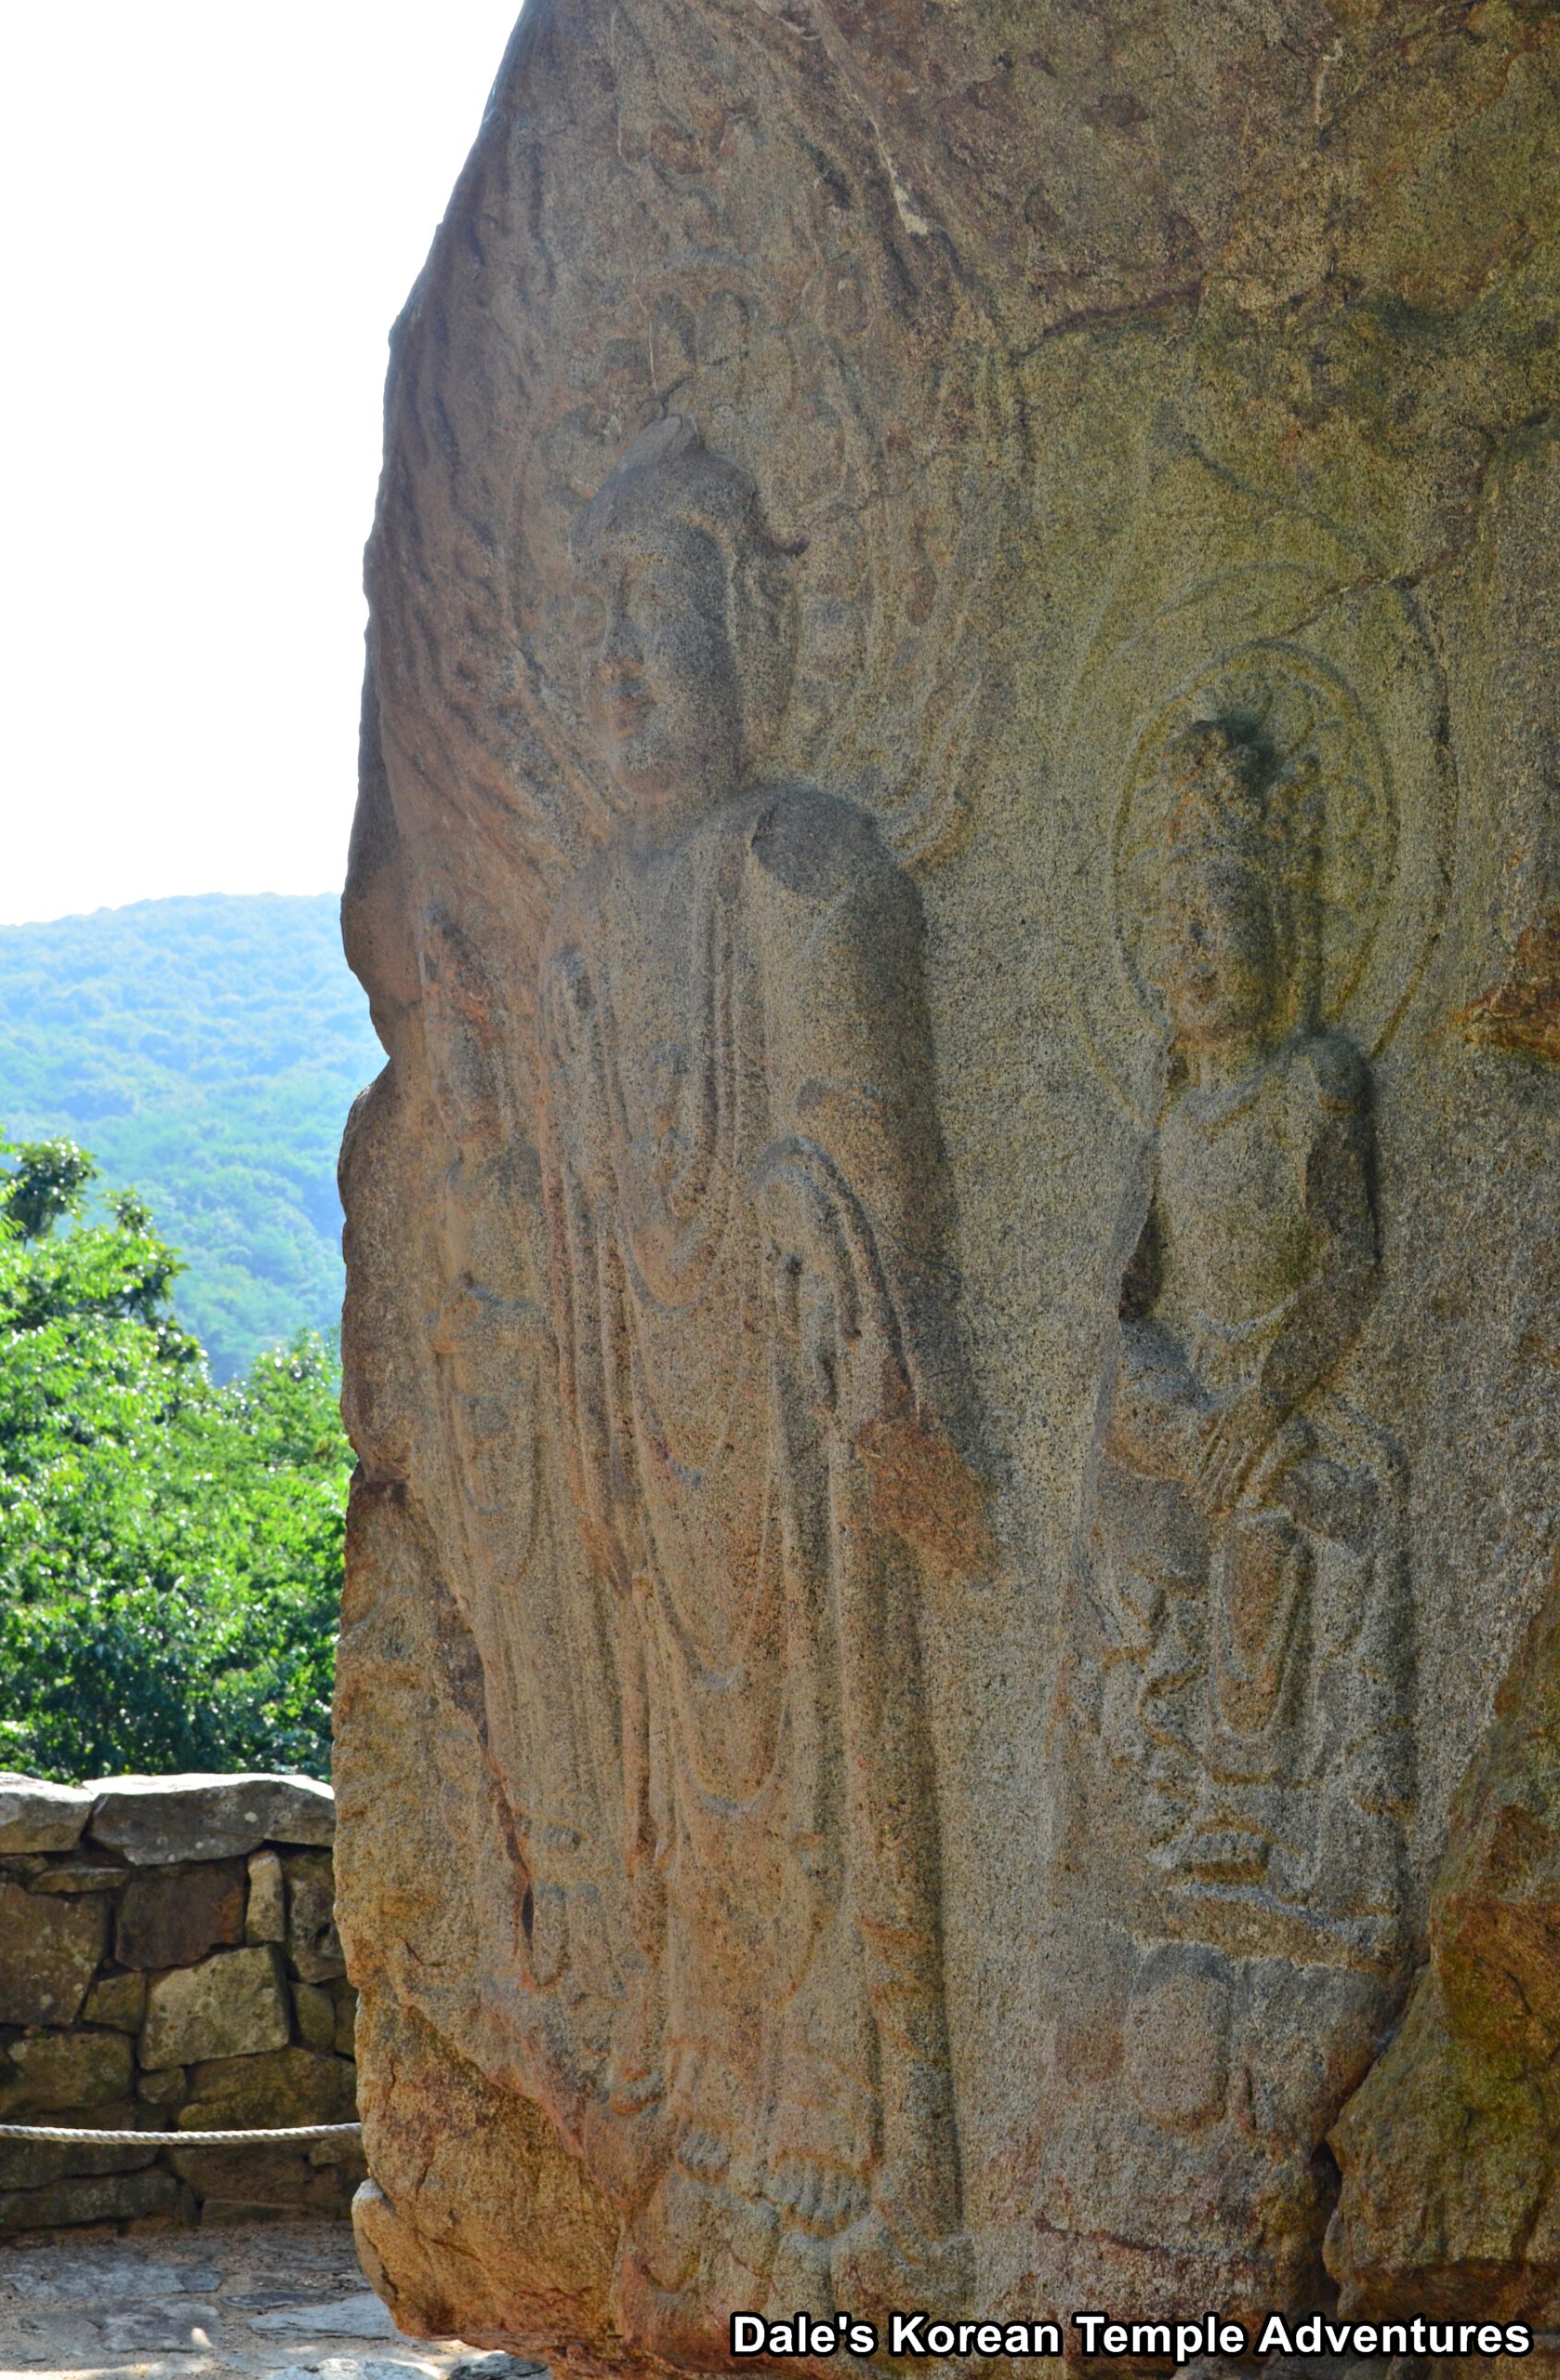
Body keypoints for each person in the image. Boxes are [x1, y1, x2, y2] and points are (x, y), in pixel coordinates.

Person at [535, 415, 980, 2343]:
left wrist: (812, 1209)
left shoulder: (806, 865)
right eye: (597, 625)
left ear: (761, 642)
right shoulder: (590, 927)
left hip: (798, 1434)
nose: (620, 663)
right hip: (658, 1414)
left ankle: (883, 2141)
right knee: (688, 1795)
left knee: (827, 1763)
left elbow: (888, 1173)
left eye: (661, 612)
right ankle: (713, 2112)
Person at [1080, 718, 1408, 1941]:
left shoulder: (1313, 1083)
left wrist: (1267, 1396)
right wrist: (1164, 1392)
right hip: (1192, 1390)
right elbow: (1130, 1297)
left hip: (1287, 1376)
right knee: (1130, 1459)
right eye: (1173, 929)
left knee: (1263, 1510)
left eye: (1217, 916)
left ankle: (1245, 1787)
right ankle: (1141, 1758)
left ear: (1283, 926)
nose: (1191, 951)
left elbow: (1349, 1267)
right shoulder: (1168, 1115)